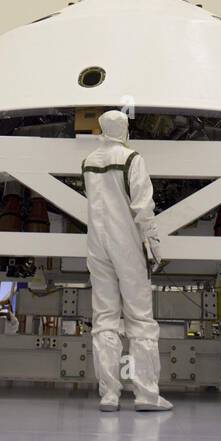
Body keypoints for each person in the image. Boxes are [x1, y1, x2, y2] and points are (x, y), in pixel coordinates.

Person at [82, 109, 171, 412]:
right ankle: (146, 395)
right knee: (140, 319)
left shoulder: (89, 161)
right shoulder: (132, 159)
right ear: (124, 130)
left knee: (104, 318)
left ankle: (109, 394)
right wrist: (153, 242)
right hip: (127, 243)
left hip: (97, 243)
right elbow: (142, 206)